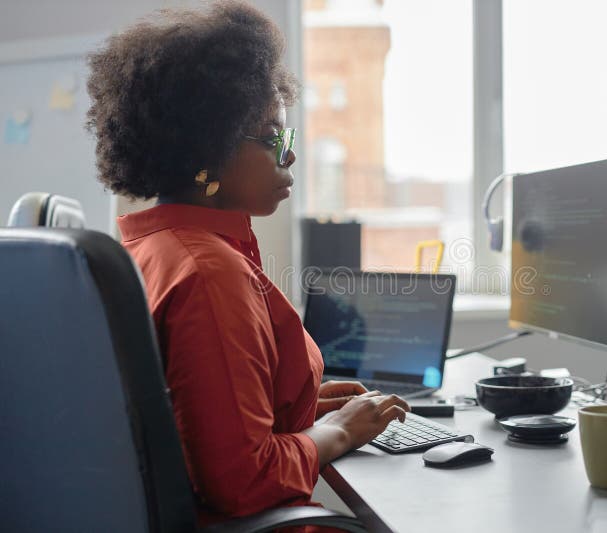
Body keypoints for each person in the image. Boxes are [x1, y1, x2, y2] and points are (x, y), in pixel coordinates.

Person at [86, 1, 409, 525]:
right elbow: (242, 480)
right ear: (208, 149)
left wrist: (305, 407)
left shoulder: (154, 248)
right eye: (272, 137)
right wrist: (343, 431)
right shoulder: (210, 273)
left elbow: (189, 421)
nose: (290, 156)